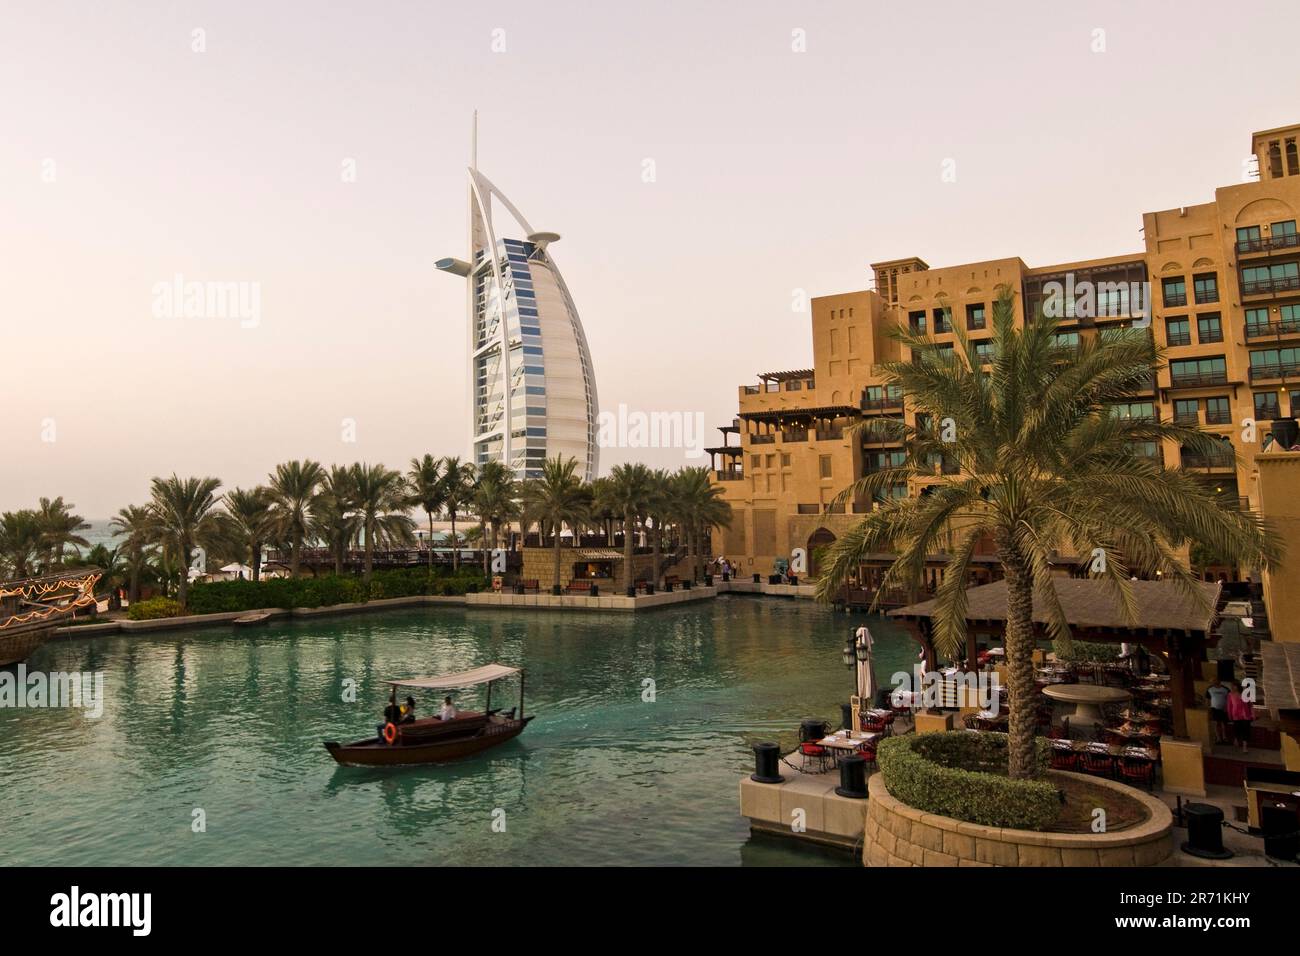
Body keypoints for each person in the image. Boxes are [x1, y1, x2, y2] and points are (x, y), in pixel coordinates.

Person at [1226, 681, 1255, 752]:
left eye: (1234, 685)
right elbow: (1229, 706)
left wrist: (1253, 714)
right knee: (1237, 729)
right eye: (1232, 686)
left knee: (1246, 730)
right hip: (1236, 715)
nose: (1232, 687)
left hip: (1246, 715)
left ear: (1238, 686)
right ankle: (1236, 739)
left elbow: (1251, 705)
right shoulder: (1230, 694)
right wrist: (1229, 715)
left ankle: (1244, 747)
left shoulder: (1245, 694)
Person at [1206, 677, 1230, 745]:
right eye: (1212, 681)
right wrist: (1208, 708)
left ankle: (1224, 737)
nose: (1213, 682)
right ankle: (1218, 738)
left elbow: (1229, 699)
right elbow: (1207, 699)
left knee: (1223, 723)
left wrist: (1227, 707)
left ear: (1219, 681)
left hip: (1223, 709)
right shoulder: (1210, 689)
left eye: (1214, 680)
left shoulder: (1225, 689)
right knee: (1216, 723)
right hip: (1214, 709)